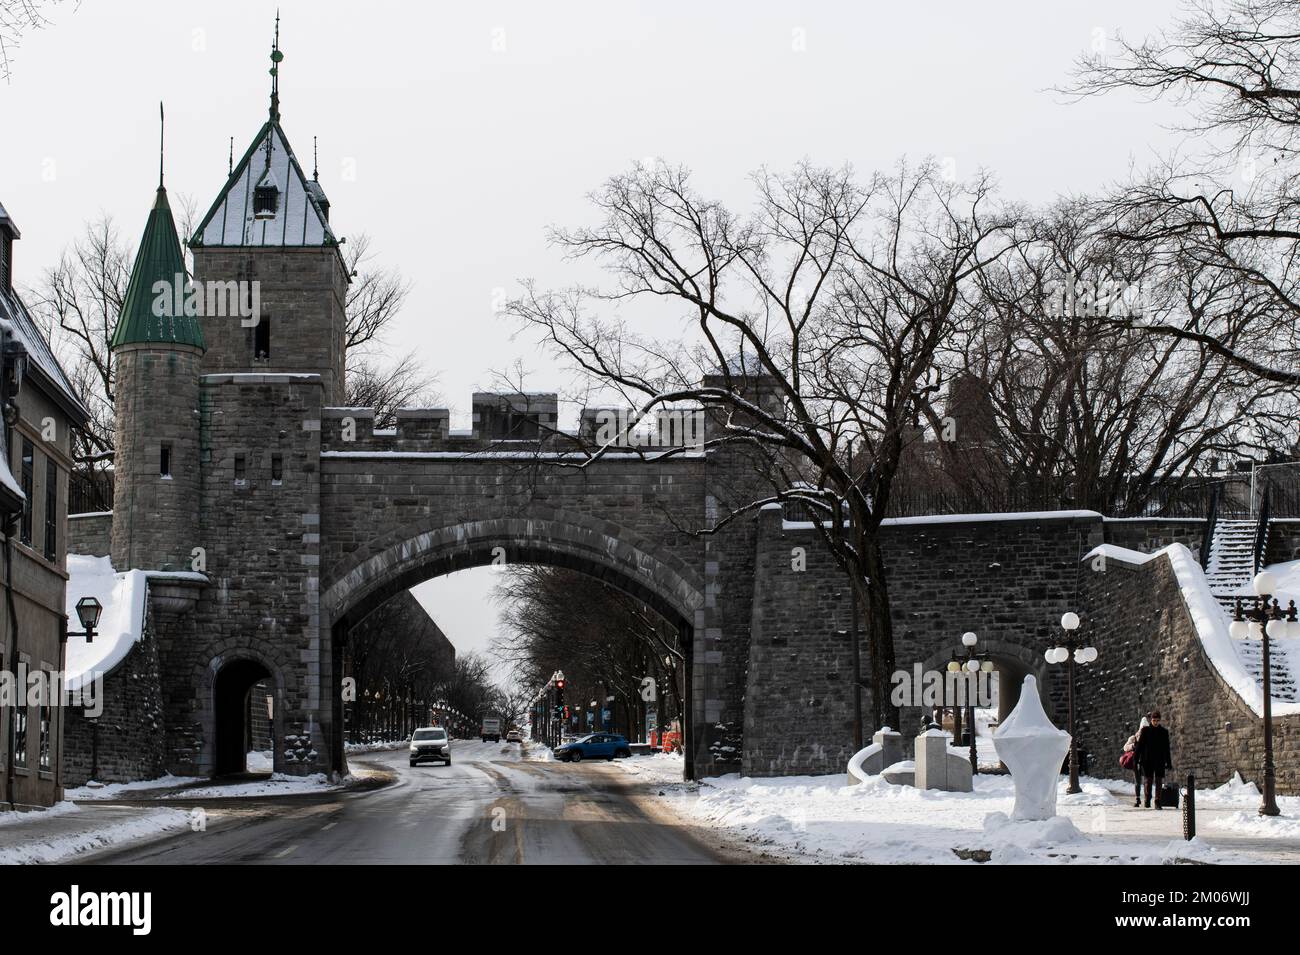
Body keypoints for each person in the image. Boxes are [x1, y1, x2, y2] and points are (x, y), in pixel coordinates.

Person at [1135, 709, 1173, 808]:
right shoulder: (1146, 731)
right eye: (1154, 720)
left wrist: (1168, 762)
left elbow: (1166, 748)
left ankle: (1157, 801)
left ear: (1159, 720)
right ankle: (1147, 798)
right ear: (1151, 720)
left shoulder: (1164, 732)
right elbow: (1140, 746)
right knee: (1148, 780)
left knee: (1159, 781)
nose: (1155, 722)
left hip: (1160, 760)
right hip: (1147, 760)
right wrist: (1136, 759)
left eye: (1157, 720)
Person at [1123, 716, 1149, 807]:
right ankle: (1138, 799)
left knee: (1147, 781)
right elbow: (1125, 747)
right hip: (1136, 762)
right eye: (1143, 728)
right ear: (1140, 728)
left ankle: (1147, 799)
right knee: (1138, 782)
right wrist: (1133, 746)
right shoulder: (1134, 738)